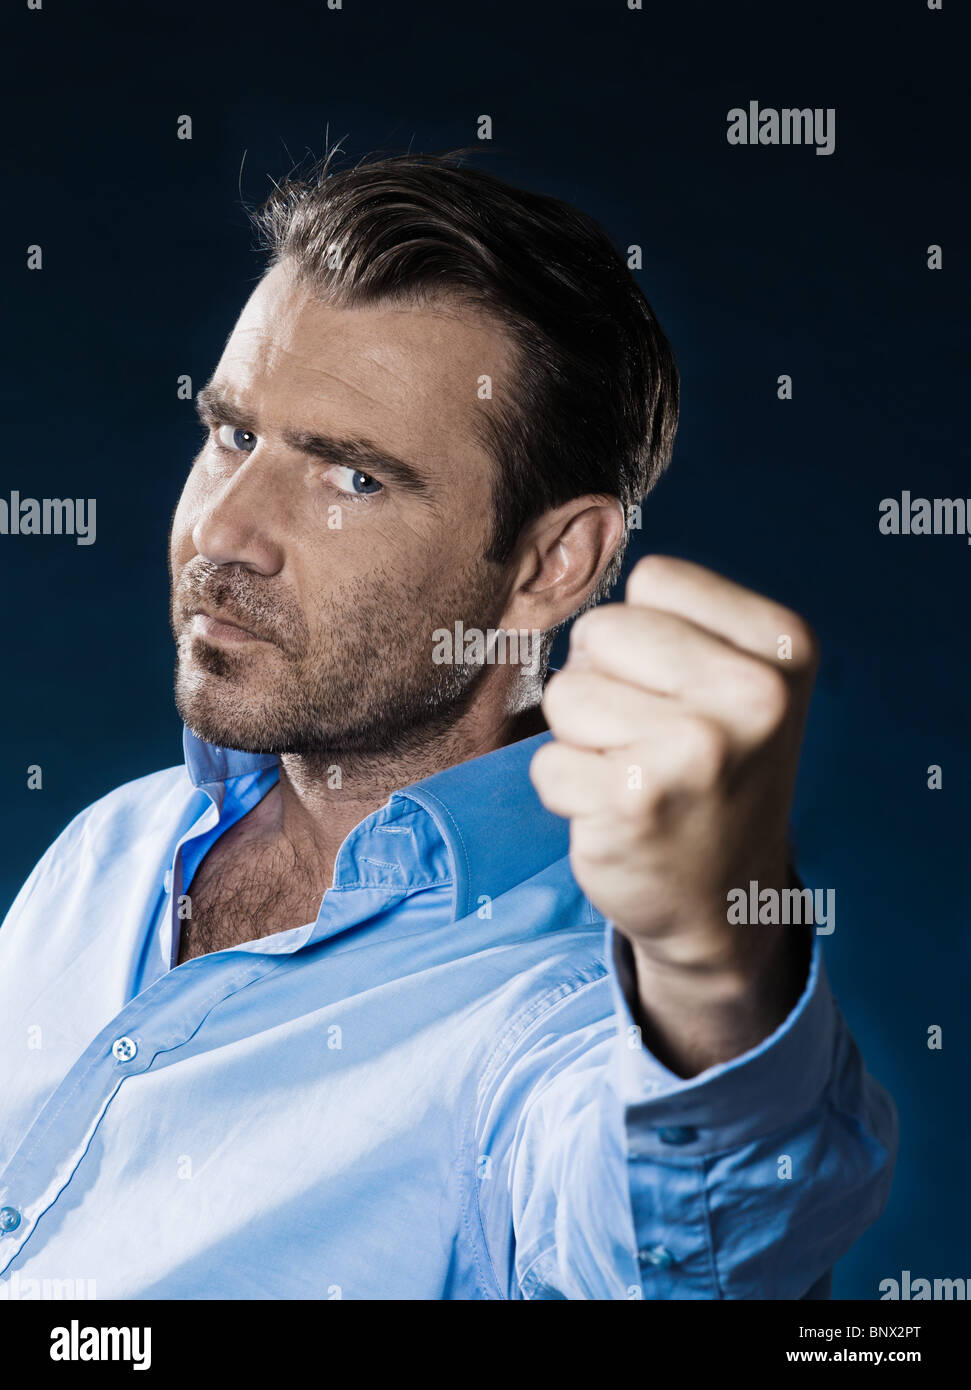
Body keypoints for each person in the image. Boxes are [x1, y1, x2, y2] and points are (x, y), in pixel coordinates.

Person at [0, 152, 896, 1300]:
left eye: (352, 479)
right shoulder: (113, 848)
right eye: (232, 435)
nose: (223, 533)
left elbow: (684, 1254)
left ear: (547, 563)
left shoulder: (556, 1010)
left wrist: (709, 959)